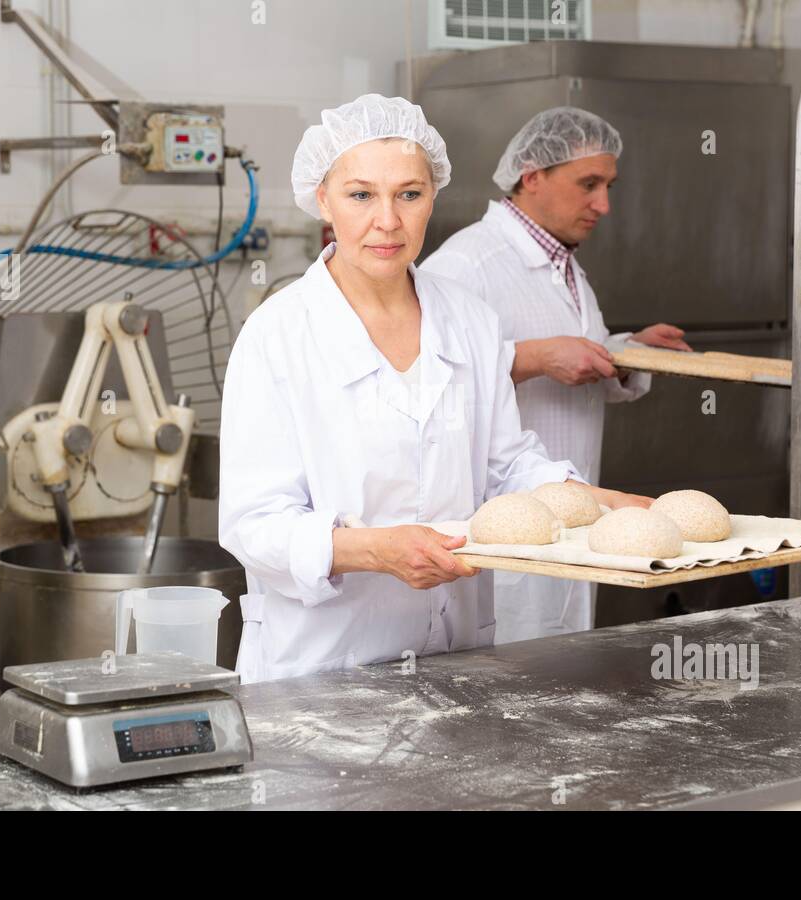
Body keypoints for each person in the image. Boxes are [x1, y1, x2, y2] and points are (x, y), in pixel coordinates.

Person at [218, 95, 651, 683]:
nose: (388, 221)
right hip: (323, 669)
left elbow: (507, 467)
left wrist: (603, 502)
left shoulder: (469, 319)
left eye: (409, 194)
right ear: (323, 199)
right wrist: (377, 550)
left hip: (457, 660)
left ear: (433, 196)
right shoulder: (278, 333)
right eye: (361, 194)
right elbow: (254, 524)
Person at [420, 107, 691, 644]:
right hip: (509, 531)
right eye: (588, 184)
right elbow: (426, 382)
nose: (604, 205)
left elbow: (565, 353)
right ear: (533, 176)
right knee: (513, 691)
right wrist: (536, 358)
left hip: (575, 517)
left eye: (609, 185)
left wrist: (624, 350)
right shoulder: (465, 265)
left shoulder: (565, 265)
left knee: (563, 678)